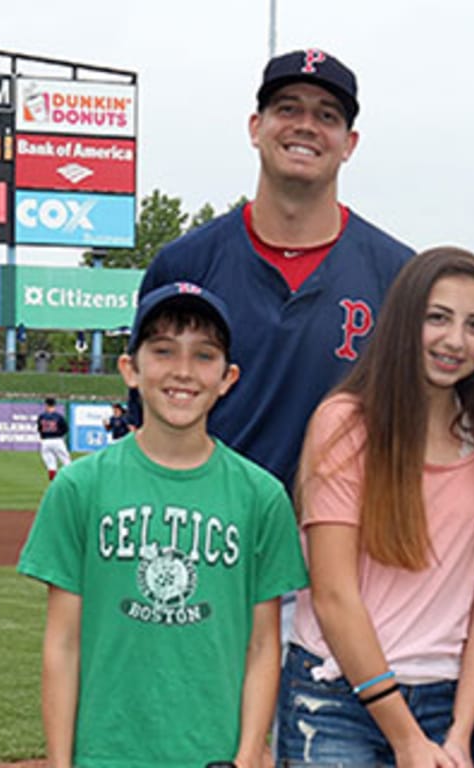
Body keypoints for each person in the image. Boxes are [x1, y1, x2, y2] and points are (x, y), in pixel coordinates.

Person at [17, 281, 308, 768]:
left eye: (204, 356)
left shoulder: (261, 496)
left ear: (228, 377)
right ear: (130, 368)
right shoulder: (79, 488)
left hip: (213, 754)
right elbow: (63, 643)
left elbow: (262, 646)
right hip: (106, 752)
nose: (183, 372)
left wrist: (245, 753)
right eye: (163, 351)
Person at [275, 247, 474, 766]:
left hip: (444, 703)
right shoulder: (346, 424)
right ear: (405, 320)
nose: (456, 340)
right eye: (438, 318)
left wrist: (460, 731)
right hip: (335, 696)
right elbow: (335, 595)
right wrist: (405, 737)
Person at [136, 47, 412, 489]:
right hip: (211, 531)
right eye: (287, 109)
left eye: (327, 116)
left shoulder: (400, 275)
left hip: (342, 537)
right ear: (255, 127)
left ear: (349, 144)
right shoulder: (184, 263)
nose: (305, 125)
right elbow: (145, 424)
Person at [36, 396, 72, 481]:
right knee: (66, 461)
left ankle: (53, 484)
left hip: (45, 441)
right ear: (54, 405)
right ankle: (70, 480)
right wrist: (59, 434)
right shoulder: (58, 416)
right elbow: (66, 429)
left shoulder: (42, 416)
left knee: (51, 464)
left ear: (46, 405)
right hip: (57, 440)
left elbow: (39, 429)